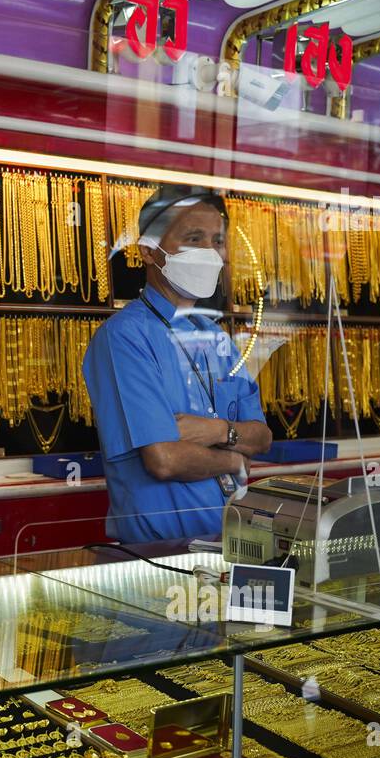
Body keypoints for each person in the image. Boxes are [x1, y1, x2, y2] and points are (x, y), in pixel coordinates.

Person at [82, 185, 272, 543]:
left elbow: (262, 437)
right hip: (162, 558)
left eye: (217, 240)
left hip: (227, 546)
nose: (210, 253)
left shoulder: (215, 338)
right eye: (193, 238)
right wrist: (233, 459)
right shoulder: (124, 338)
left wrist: (216, 432)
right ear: (148, 251)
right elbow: (164, 460)